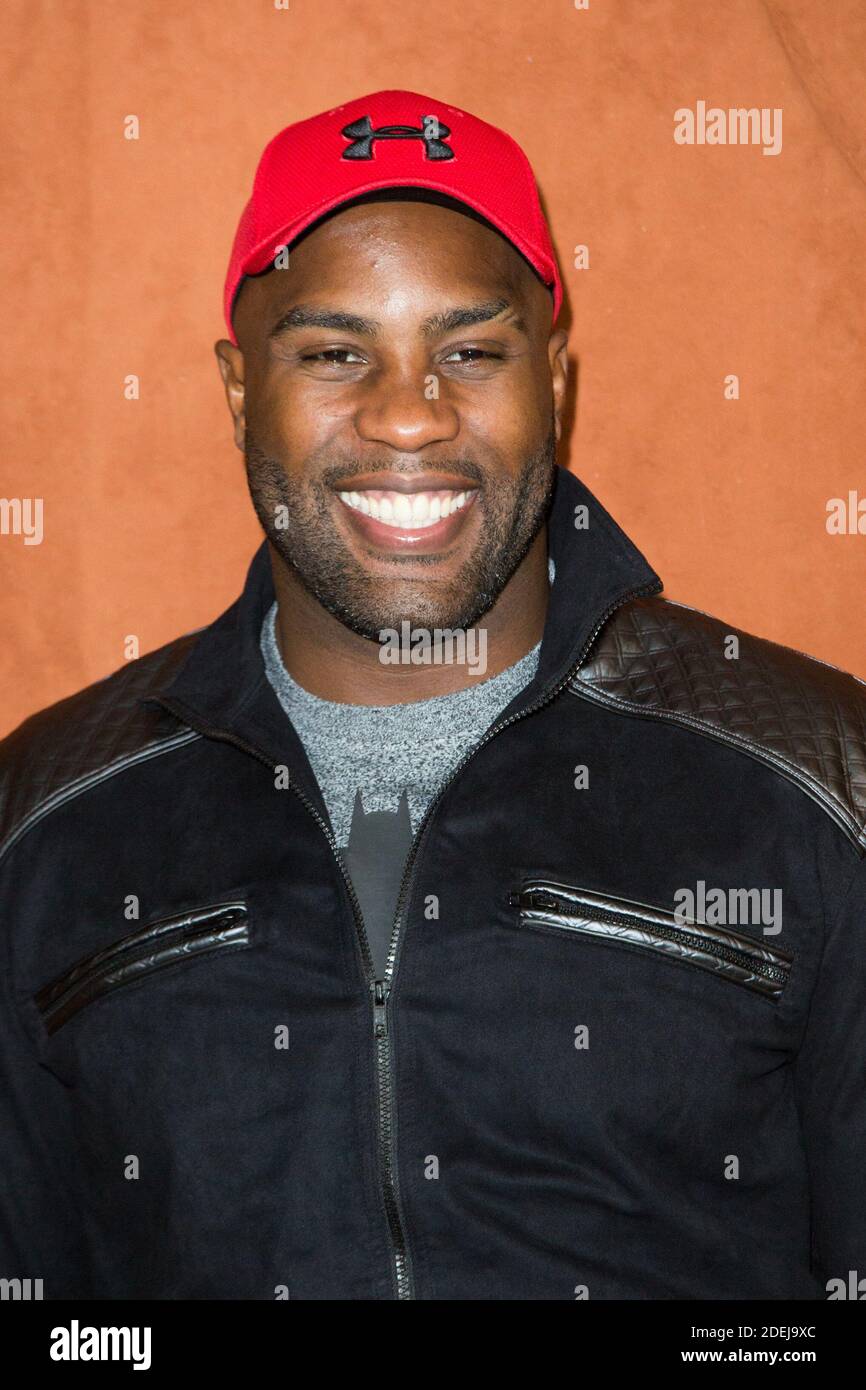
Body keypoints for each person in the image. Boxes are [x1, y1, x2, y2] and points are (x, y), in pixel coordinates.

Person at [1, 89, 864, 1302]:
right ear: (239, 389)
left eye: (469, 350)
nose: (408, 414)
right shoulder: (44, 819)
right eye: (332, 353)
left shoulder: (819, 776)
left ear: (553, 381)